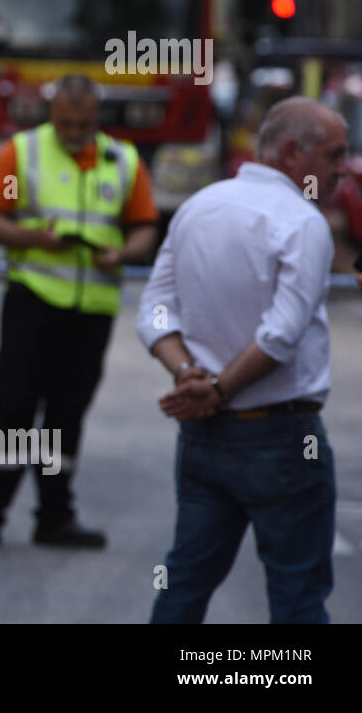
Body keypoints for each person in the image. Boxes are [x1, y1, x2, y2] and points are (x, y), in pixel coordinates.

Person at [138, 97, 345, 623]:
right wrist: (219, 389)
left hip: (206, 439)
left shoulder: (199, 206)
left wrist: (187, 373)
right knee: (298, 595)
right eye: (334, 155)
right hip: (281, 439)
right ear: (294, 152)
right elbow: (281, 336)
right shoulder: (303, 223)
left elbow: (155, 311)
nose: (341, 169)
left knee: (184, 583)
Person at [0, 74, 158, 547]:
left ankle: (54, 516)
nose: (73, 131)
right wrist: (35, 239)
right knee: (14, 409)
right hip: (34, 300)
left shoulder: (123, 160)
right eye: (65, 122)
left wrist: (124, 254)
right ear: (51, 114)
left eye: (82, 123)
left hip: (93, 308)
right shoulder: (22, 153)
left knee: (67, 415)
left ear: (96, 117)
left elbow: (145, 226)